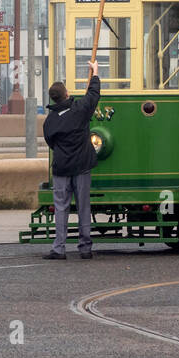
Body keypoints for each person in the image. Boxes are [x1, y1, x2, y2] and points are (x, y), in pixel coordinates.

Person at [42, 60, 101, 260]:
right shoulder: (79, 110)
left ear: (53, 99)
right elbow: (93, 96)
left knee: (61, 208)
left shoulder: (50, 120)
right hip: (82, 165)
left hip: (61, 167)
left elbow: (51, 142)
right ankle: (85, 247)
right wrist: (95, 73)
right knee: (83, 206)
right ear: (66, 94)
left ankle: (59, 248)